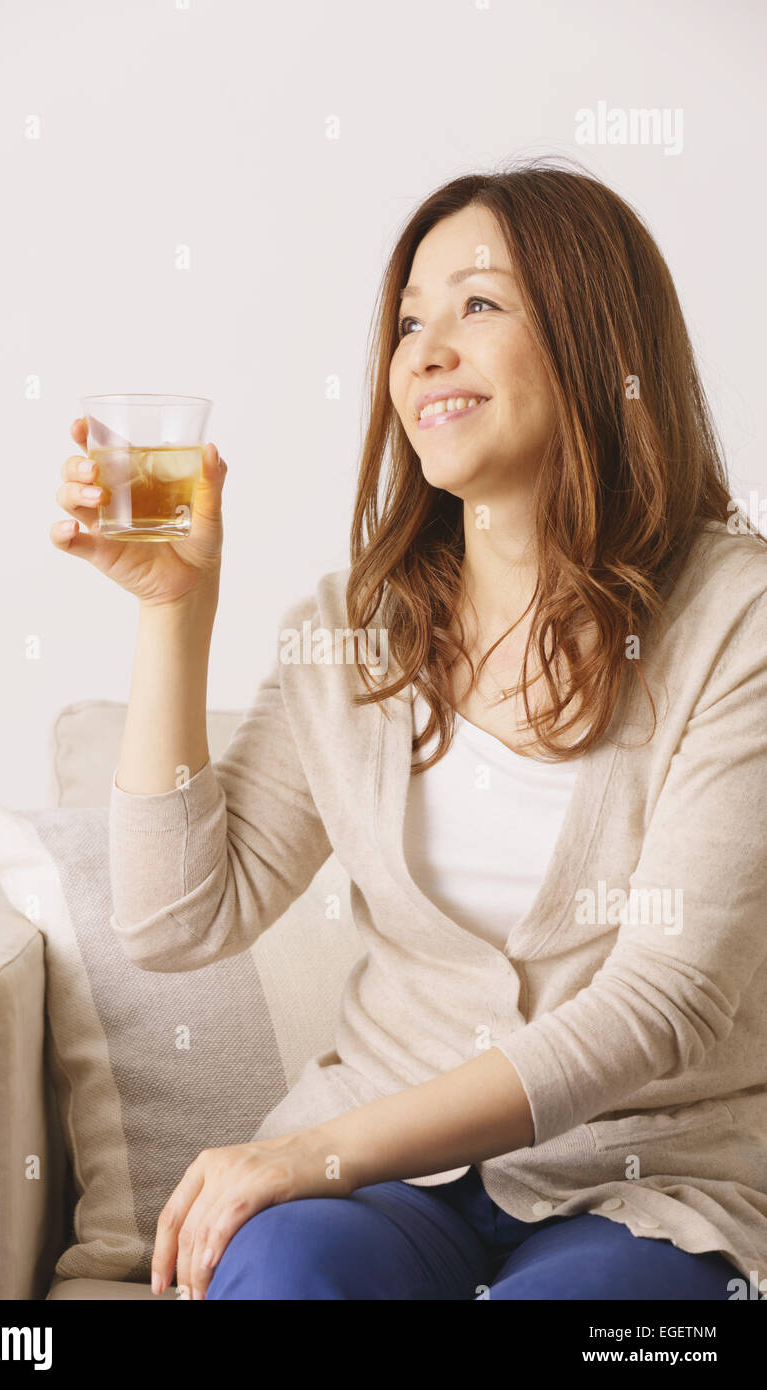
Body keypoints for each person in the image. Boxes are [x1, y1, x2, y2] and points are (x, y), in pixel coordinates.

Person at [51, 163, 767, 1302]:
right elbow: (174, 920)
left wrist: (307, 1152)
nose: (423, 353)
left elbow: (662, 1007)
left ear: (596, 337)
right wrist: (173, 611)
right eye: (407, 323)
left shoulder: (737, 618)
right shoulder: (355, 637)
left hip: (645, 1186)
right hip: (384, 1187)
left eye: (477, 305)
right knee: (284, 1273)